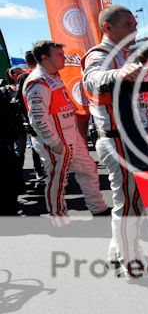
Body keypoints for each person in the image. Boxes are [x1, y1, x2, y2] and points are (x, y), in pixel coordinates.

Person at [82, 4, 146, 272]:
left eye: (135, 24)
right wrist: (118, 74)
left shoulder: (122, 55)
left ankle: (118, 250)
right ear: (108, 27)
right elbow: (91, 80)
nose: (135, 29)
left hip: (128, 137)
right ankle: (131, 260)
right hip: (117, 138)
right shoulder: (101, 55)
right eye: (128, 25)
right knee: (130, 201)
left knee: (129, 200)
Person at [23, 40, 109, 226]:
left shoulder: (54, 75)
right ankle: (59, 220)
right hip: (55, 141)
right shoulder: (37, 81)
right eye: (59, 55)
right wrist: (54, 142)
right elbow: (37, 118)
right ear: (44, 58)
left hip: (71, 137)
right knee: (58, 181)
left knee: (89, 169)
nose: (64, 58)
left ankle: (98, 209)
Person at [15, 50, 46, 183]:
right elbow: (20, 100)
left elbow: (18, 100)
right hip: (39, 118)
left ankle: (41, 170)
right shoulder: (44, 75)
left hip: (33, 118)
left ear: (27, 62)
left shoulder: (28, 76)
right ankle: (41, 170)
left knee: (38, 146)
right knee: (39, 145)